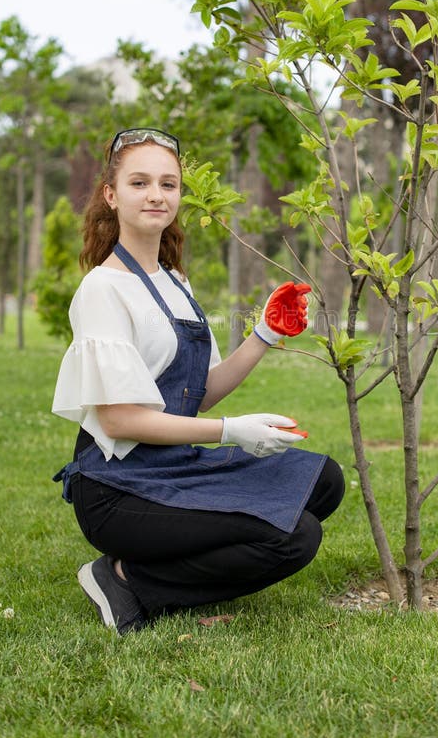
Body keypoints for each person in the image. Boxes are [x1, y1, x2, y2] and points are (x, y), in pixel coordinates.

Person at [52, 127, 344, 634]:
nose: (156, 195)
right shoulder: (102, 290)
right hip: (118, 489)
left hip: (177, 465)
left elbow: (197, 394)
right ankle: (126, 580)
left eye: (168, 184)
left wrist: (265, 334)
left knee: (324, 482)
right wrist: (232, 432)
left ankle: (155, 569)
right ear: (111, 194)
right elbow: (119, 419)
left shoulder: (174, 282)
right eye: (140, 182)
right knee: (293, 537)